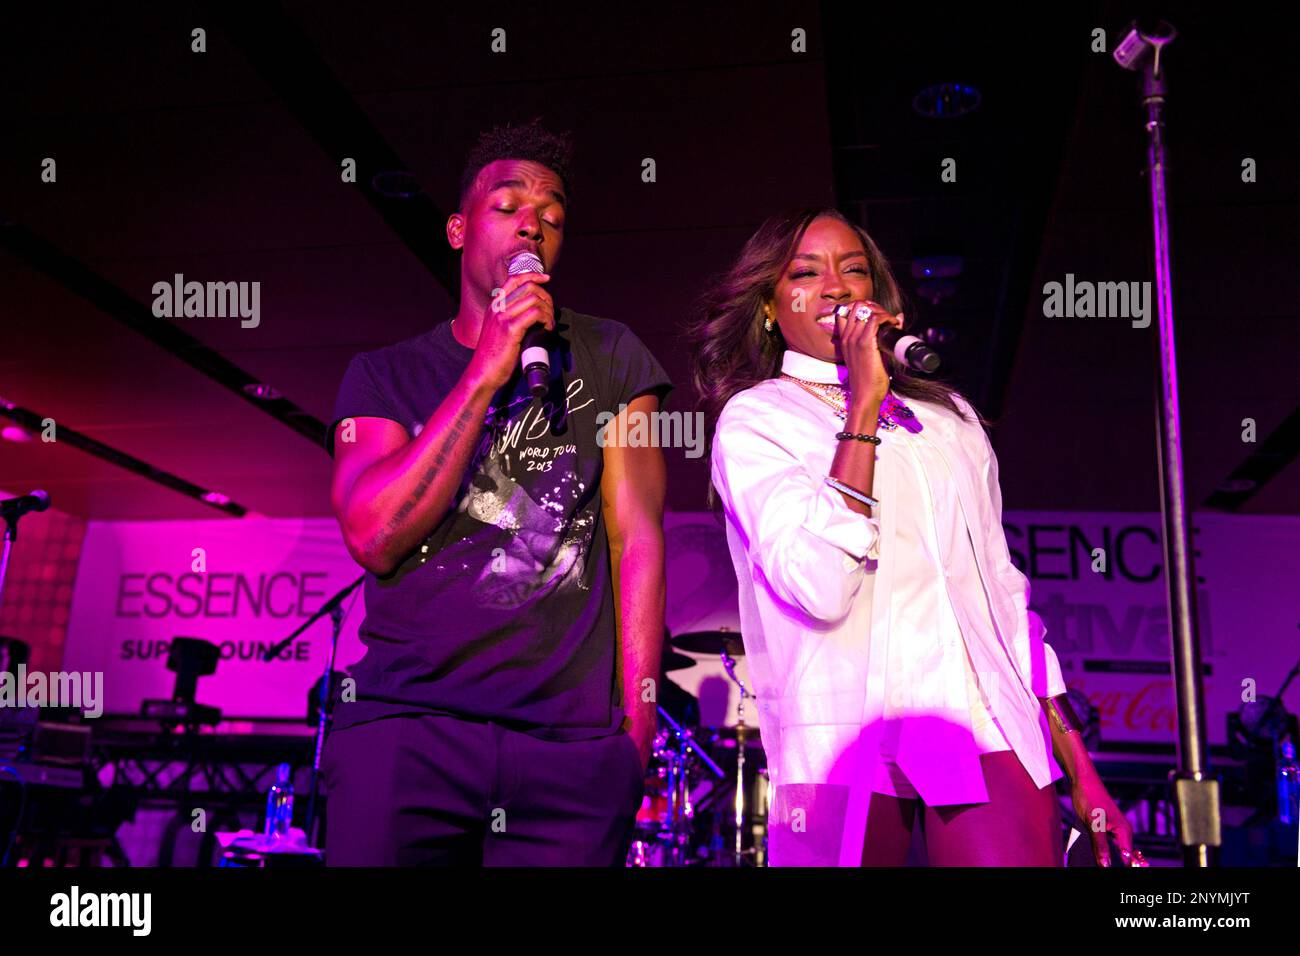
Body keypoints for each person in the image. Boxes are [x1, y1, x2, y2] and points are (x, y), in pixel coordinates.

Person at [691, 207, 1145, 867]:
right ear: (768, 303)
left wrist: (1082, 769)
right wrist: (863, 409)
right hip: (844, 727)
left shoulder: (948, 417)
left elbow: (1003, 593)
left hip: (981, 714)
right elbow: (818, 587)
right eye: (807, 273)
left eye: (854, 270)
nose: (837, 288)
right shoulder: (759, 420)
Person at [323, 120, 671, 866]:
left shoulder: (613, 356)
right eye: (508, 205)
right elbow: (373, 536)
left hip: (570, 753)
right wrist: (483, 371)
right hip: (407, 733)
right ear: (457, 229)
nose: (532, 223)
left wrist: (634, 735)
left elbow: (635, 538)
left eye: (552, 217)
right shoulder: (381, 376)